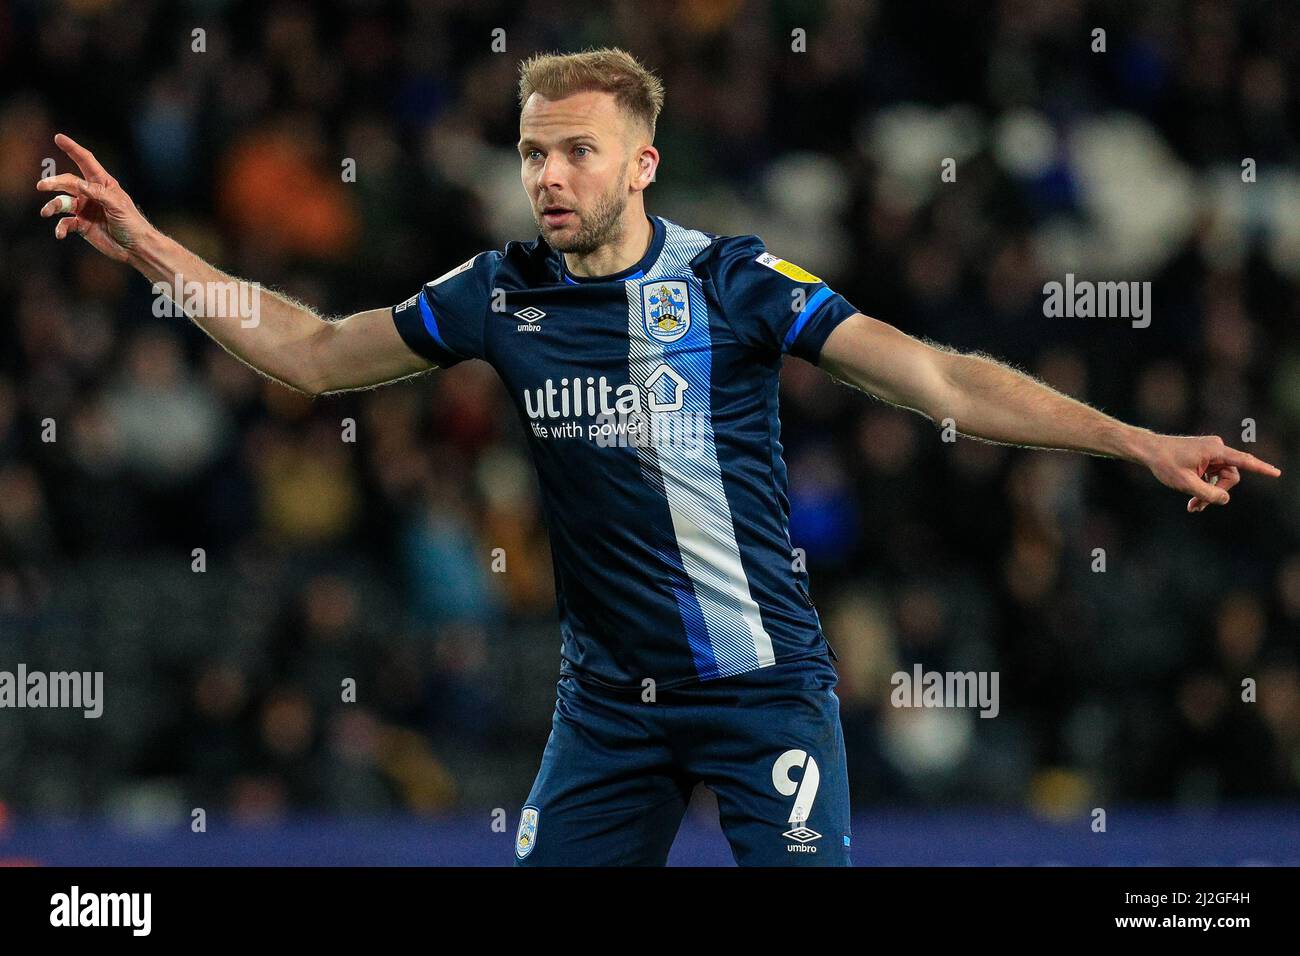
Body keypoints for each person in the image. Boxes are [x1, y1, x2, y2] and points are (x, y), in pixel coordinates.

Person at [36, 46, 1281, 866]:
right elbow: (310, 353)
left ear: (642, 163)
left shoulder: (737, 282)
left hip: (761, 689)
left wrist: (1130, 438)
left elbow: (942, 379)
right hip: (607, 709)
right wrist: (148, 243)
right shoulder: (497, 292)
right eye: (533, 151)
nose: (548, 175)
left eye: (577, 150)